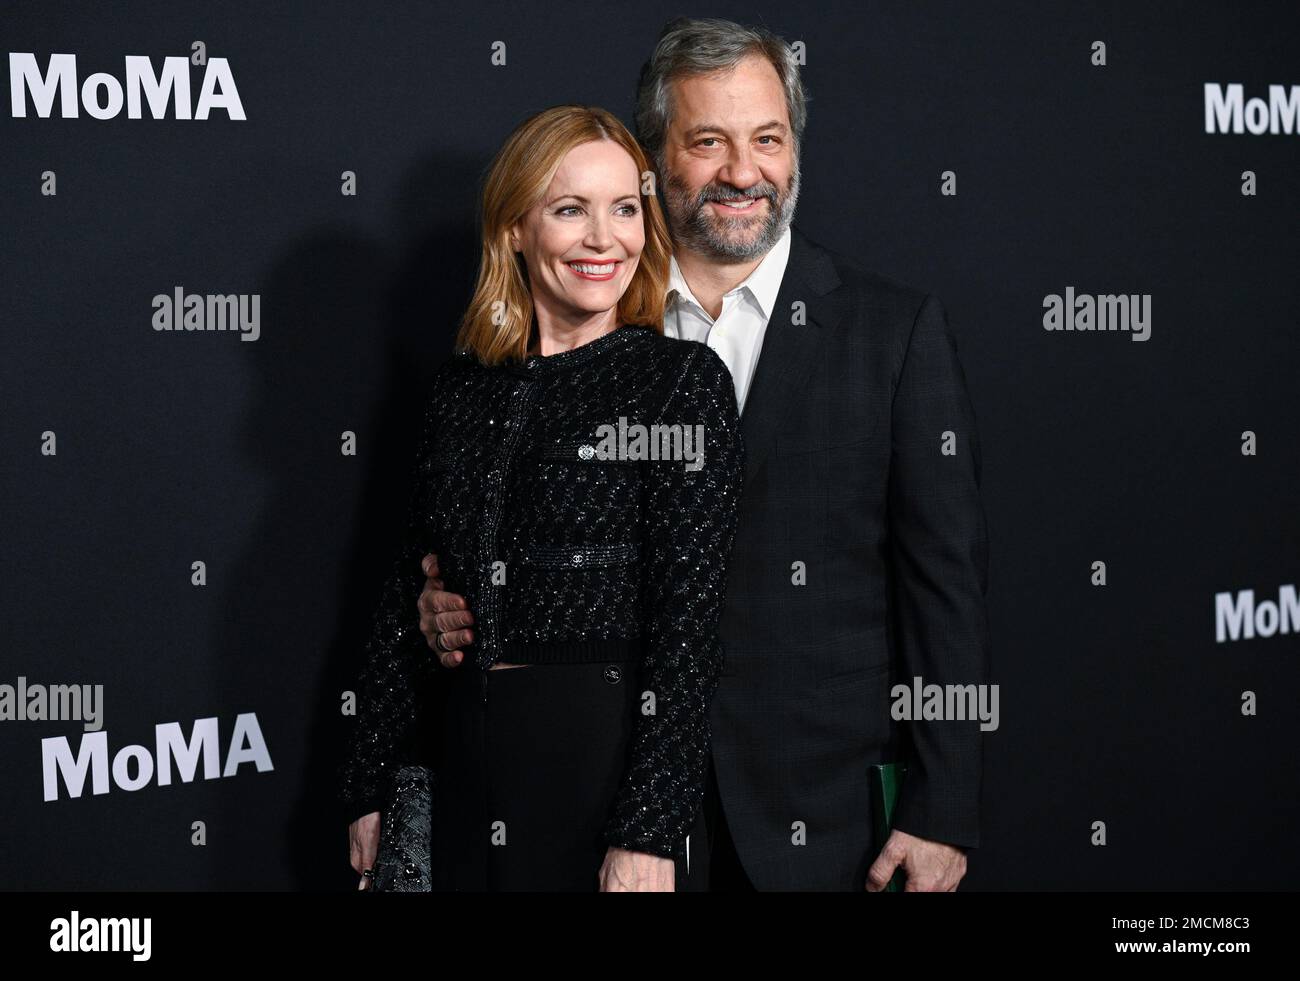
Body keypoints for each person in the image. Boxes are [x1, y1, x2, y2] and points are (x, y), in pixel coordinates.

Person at [420, 18, 991, 892]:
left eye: (768, 138)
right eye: (708, 141)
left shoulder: (893, 332)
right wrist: (443, 600)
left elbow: (944, 585)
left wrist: (941, 805)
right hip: (612, 807)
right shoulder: (598, 313)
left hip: (820, 814)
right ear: (654, 159)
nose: (742, 171)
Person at [335, 104, 745, 892]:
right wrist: (370, 781)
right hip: (464, 760)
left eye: (626, 208)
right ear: (514, 228)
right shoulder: (461, 388)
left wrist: (650, 832)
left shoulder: (679, 386)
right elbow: (404, 591)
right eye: (570, 209)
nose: (605, 238)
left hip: (602, 765)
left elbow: (688, 628)